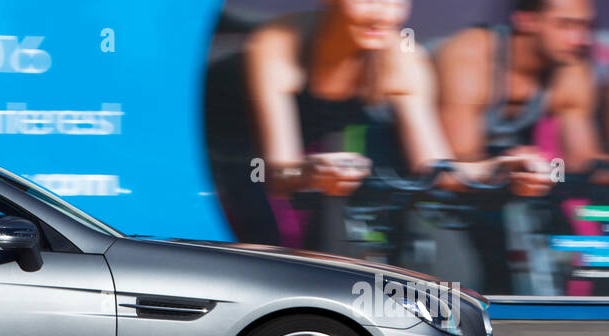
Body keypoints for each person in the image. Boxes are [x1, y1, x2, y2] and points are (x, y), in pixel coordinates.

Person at [205, 0, 546, 256]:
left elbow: (436, 171)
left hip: (272, 162)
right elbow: (275, 175)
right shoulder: (277, 43)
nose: (383, 14)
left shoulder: (403, 58)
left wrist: (501, 169)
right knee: (258, 245)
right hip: (210, 145)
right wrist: (311, 171)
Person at [435, 0, 601, 292]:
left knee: (559, 215)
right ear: (526, 20)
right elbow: (456, 167)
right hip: (423, 169)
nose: (580, 39)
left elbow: (581, 165)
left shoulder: (571, 68)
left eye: (584, 26)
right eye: (565, 25)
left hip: (495, 173)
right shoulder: (470, 55)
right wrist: (514, 166)